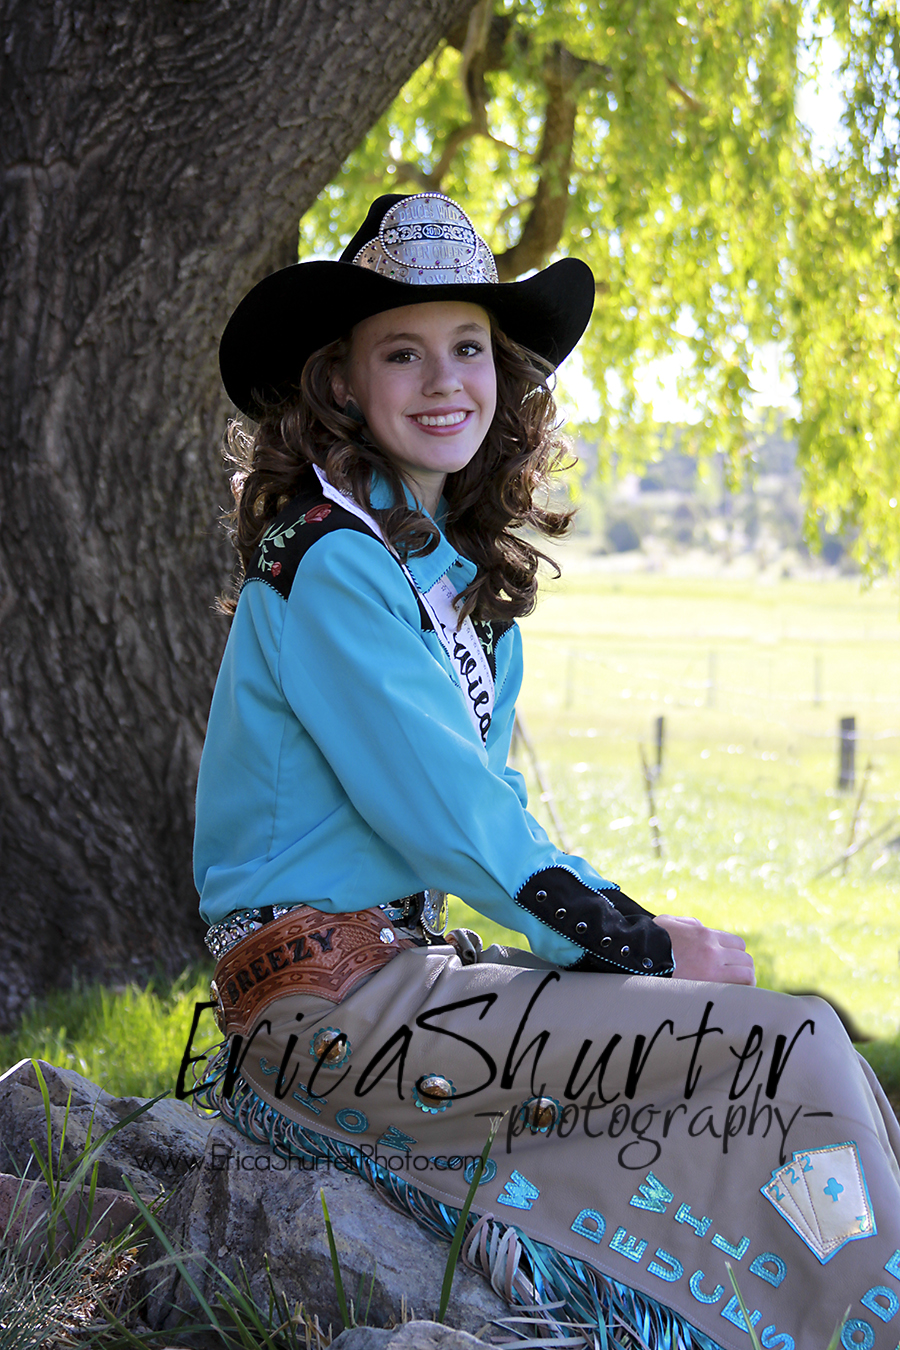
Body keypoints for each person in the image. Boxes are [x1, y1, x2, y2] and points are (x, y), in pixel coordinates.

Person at [194, 193, 900, 1350]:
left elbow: (489, 816)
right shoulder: (330, 566)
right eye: (403, 353)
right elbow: (452, 821)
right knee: (788, 1043)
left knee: (778, 1036)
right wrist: (642, 943)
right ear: (342, 386)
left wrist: (628, 950)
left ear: (503, 377)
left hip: (407, 985)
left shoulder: (454, 588)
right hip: (323, 1012)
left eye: (468, 348)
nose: (444, 381)